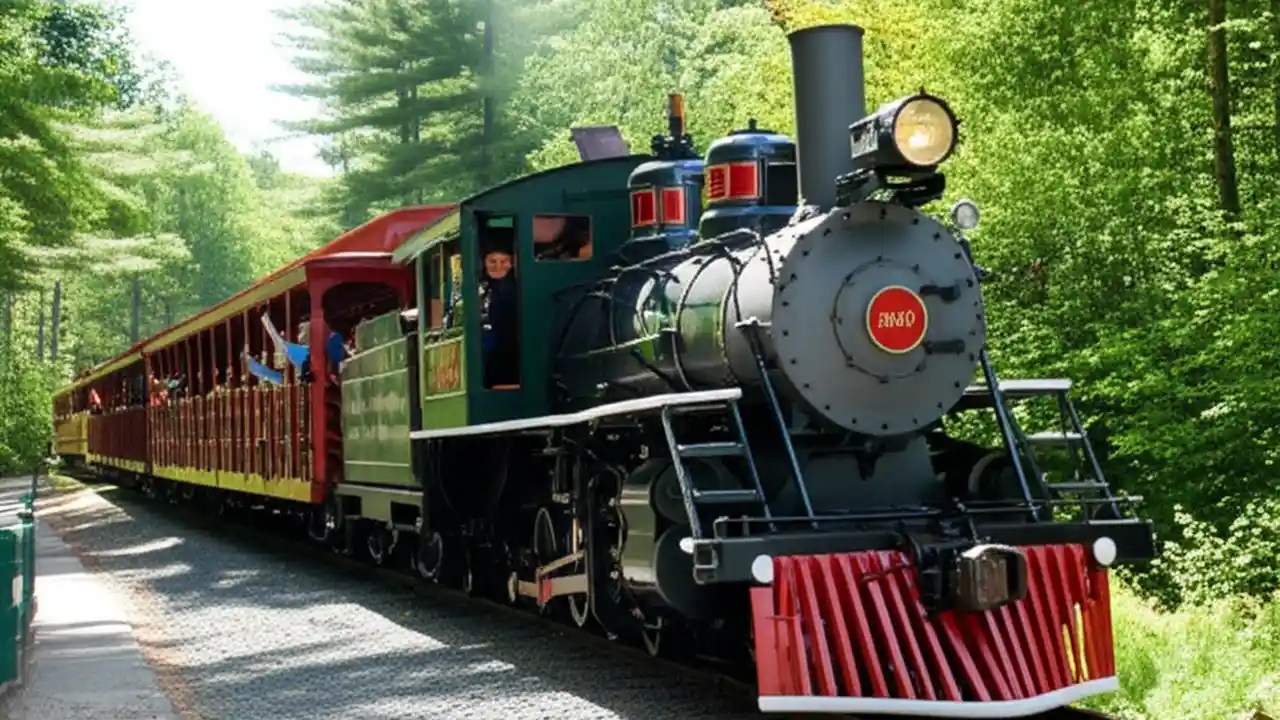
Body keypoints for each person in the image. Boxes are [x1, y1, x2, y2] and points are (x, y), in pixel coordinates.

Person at [479, 247, 519, 387]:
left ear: (512, 263)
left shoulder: (511, 290)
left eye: (504, 261)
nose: (498, 266)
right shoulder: (485, 287)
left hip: (509, 356)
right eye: (492, 261)